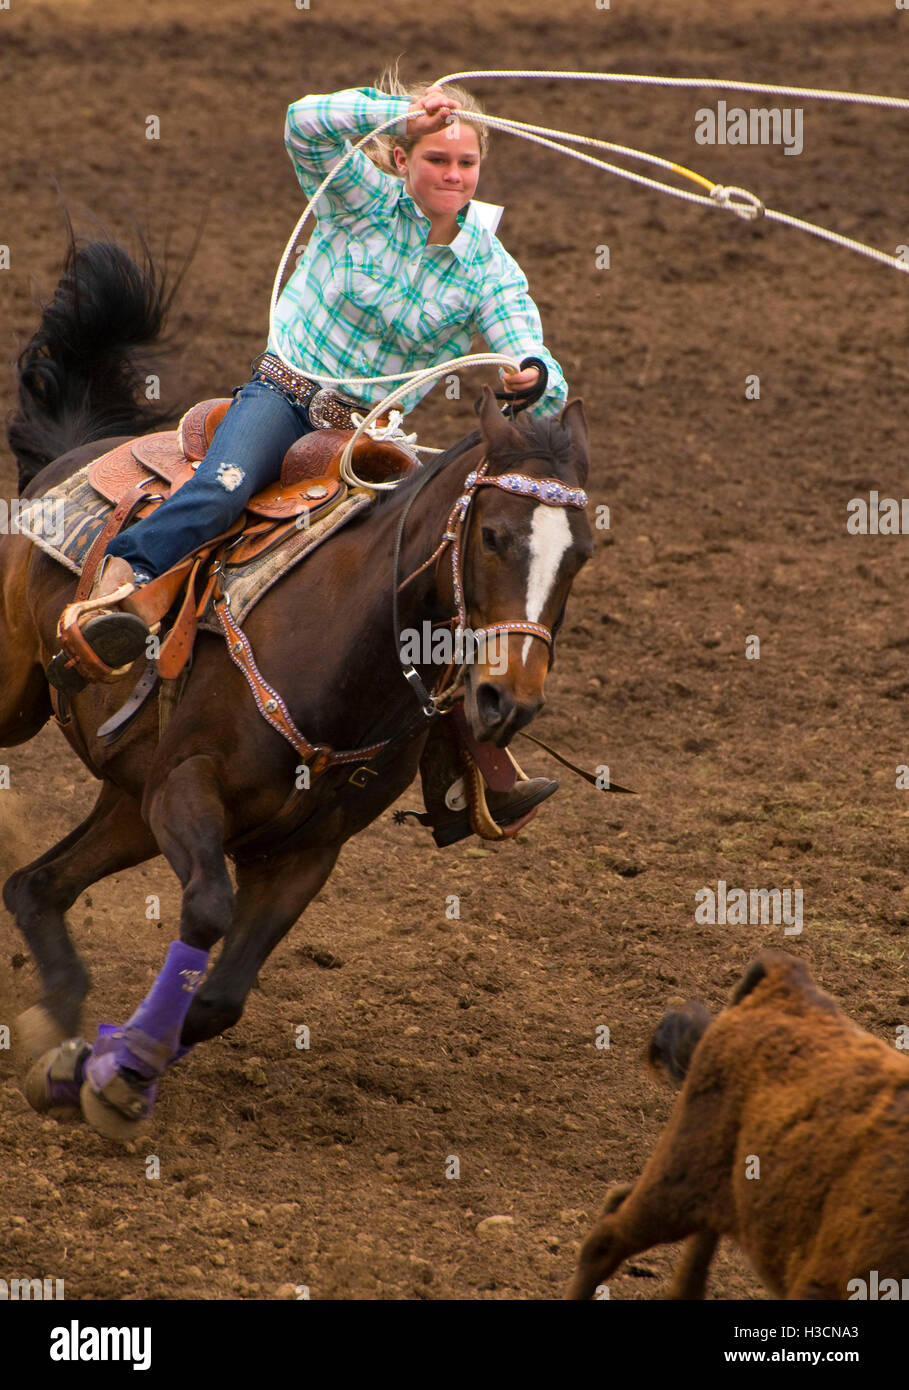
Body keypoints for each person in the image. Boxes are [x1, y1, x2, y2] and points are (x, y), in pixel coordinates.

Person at [53, 66, 569, 843]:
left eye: (465, 164)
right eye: (437, 160)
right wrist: (397, 109)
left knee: (436, 569)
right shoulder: (355, 195)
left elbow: (528, 342)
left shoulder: (485, 265)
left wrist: (533, 375)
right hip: (286, 397)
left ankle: (462, 763)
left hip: (375, 437)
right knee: (224, 490)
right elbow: (303, 120)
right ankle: (118, 599)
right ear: (402, 160)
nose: (453, 176)